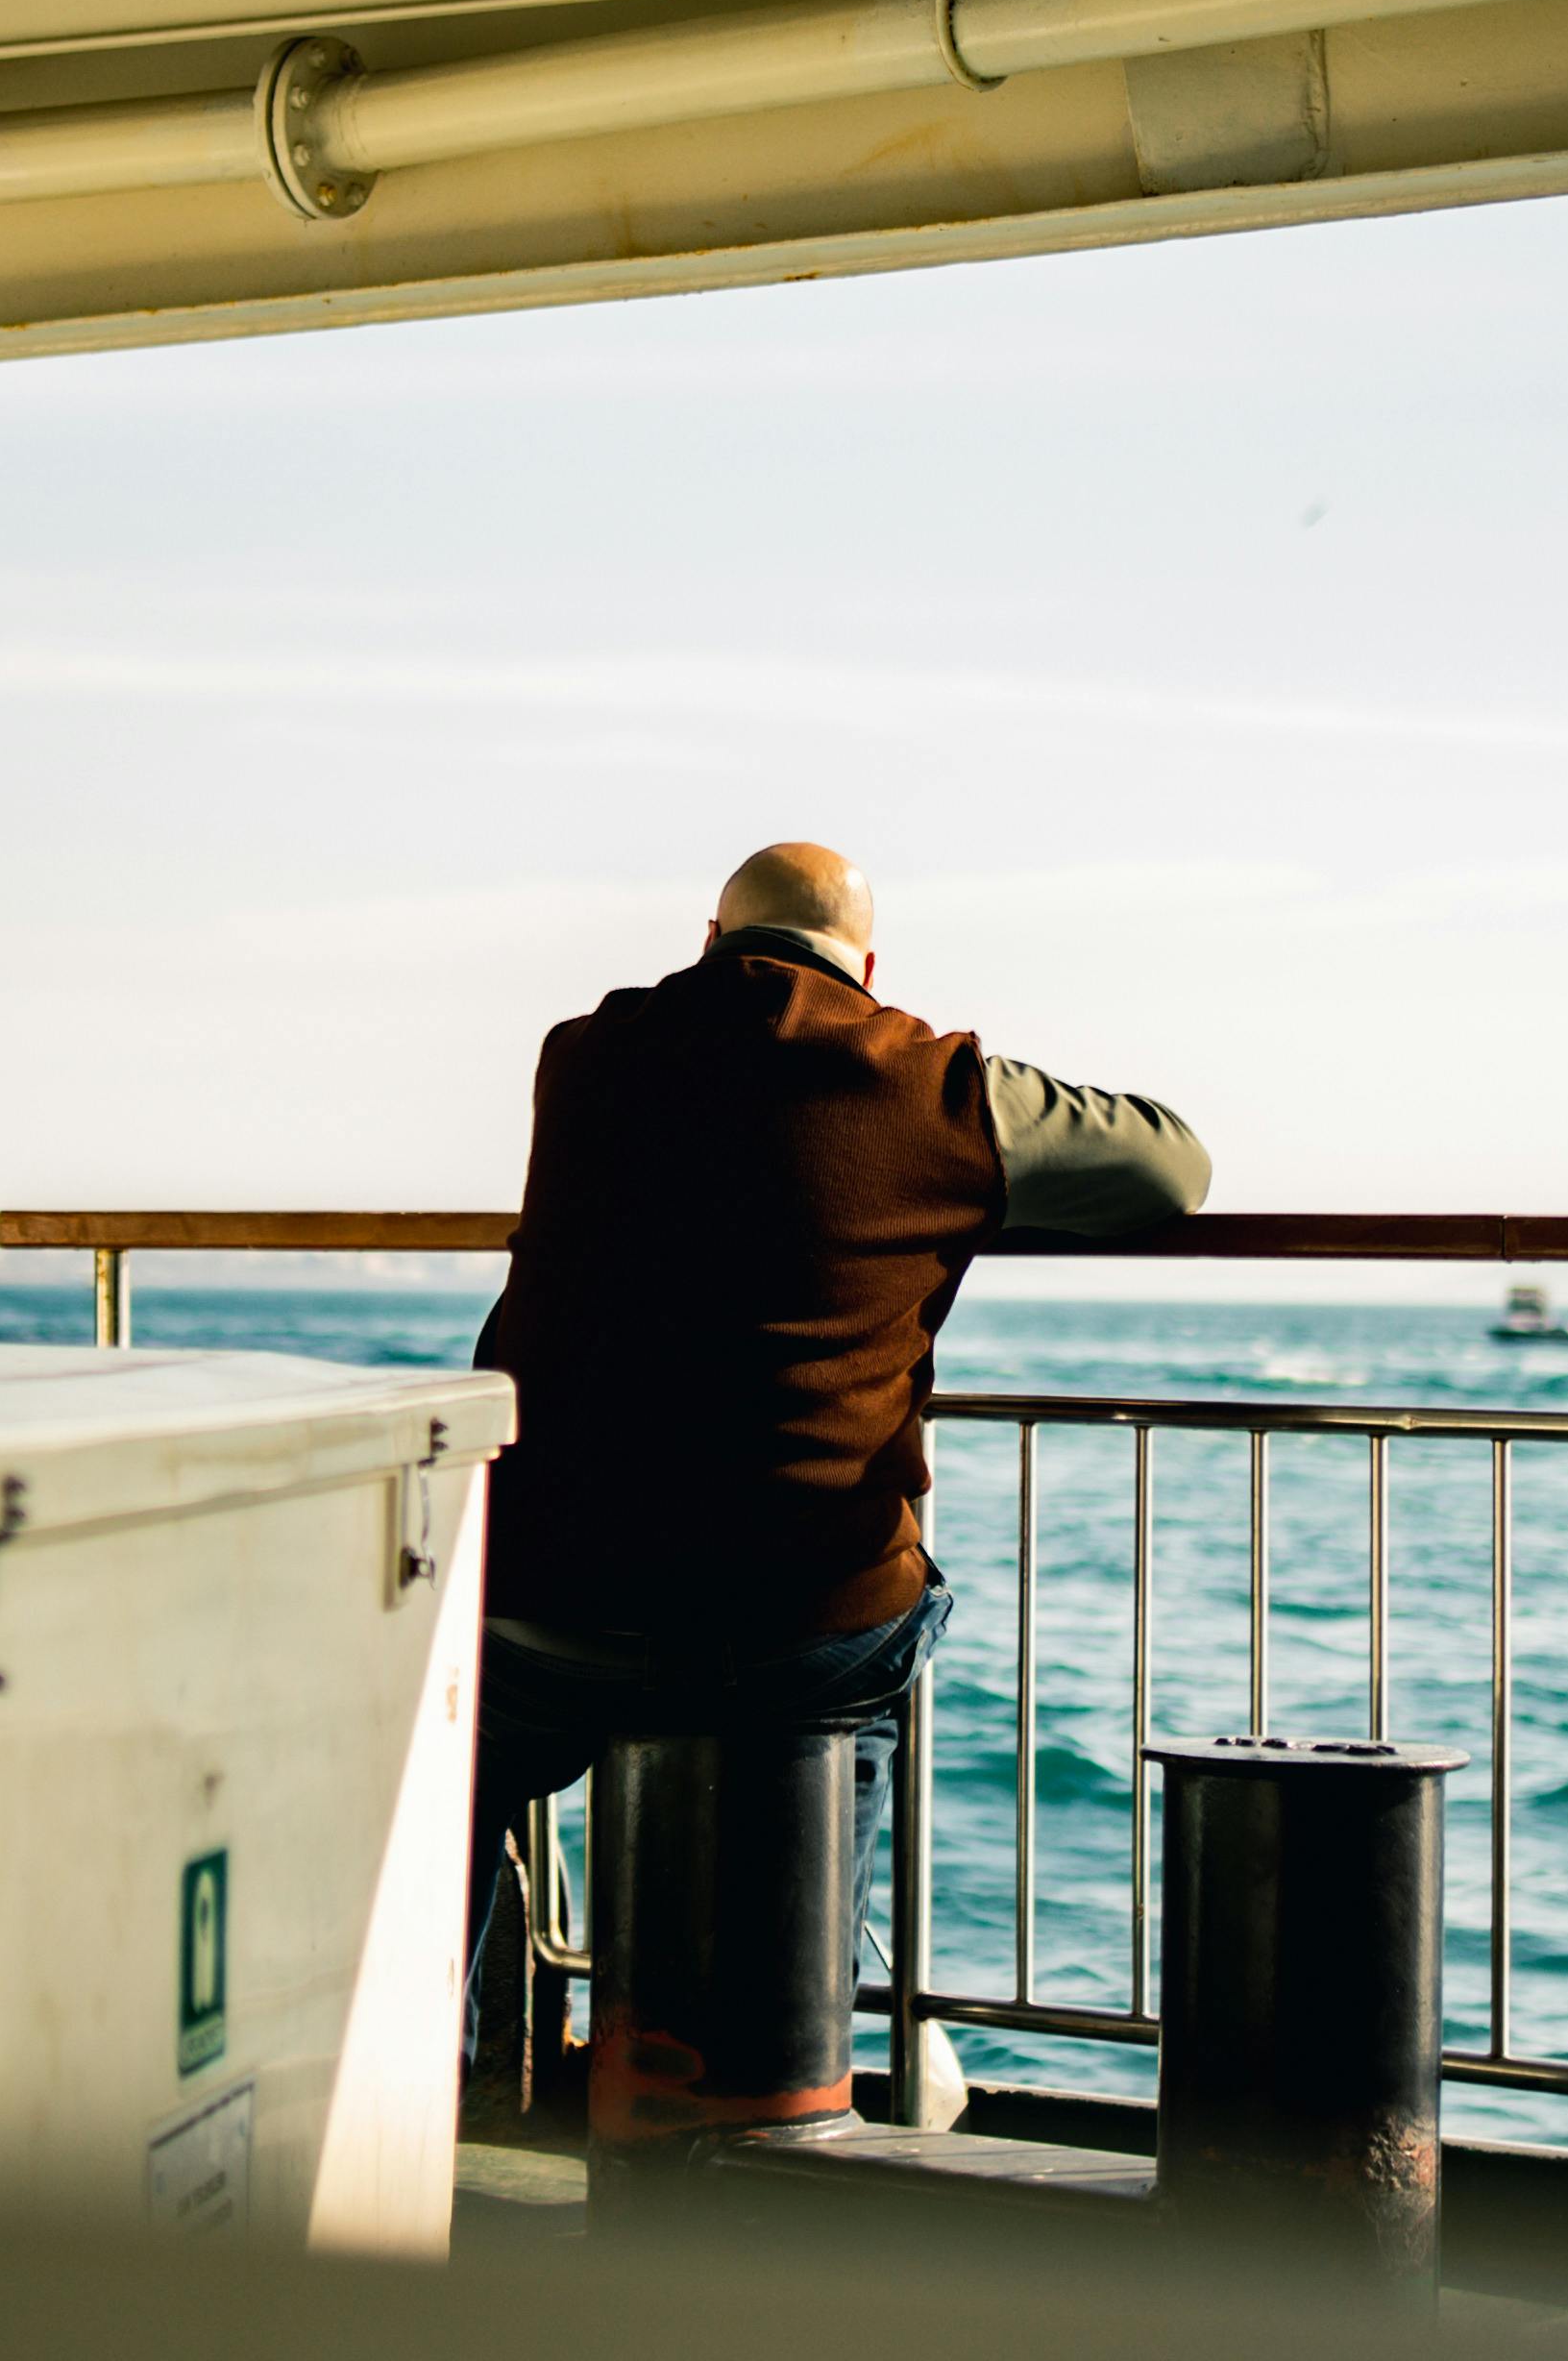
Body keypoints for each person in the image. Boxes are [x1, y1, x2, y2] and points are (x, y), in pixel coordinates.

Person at [466, 836, 1208, 2058]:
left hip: (552, 1611)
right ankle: (784, 2053)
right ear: (868, 967)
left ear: (707, 942)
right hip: (795, 1627)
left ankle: (419, 2084)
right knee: (871, 1653)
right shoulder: (927, 1084)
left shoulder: (582, 1055)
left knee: (456, 1762)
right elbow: (1173, 1166)